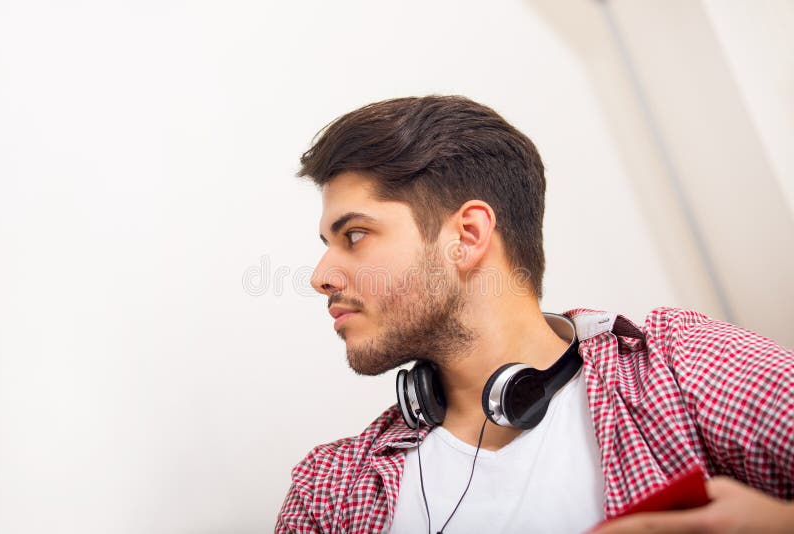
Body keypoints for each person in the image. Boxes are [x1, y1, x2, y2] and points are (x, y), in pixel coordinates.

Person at [275, 95, 794, 533]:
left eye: (355, 235)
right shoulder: (330, 492)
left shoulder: (676, 366)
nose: (321, 275)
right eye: (328, 243)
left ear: (467, 235)